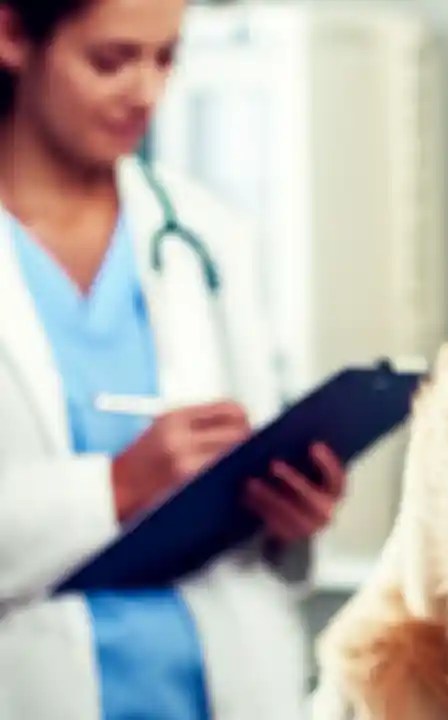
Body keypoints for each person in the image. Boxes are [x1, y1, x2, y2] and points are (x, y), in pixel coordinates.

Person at [0, 0, 346, 717]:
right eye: (112, 60)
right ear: (10, 34)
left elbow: (253, 472)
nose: (147, 92)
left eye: (166, 58)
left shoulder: (209, 235)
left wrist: (289, 511)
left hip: (230, 687)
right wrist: (118, 486)